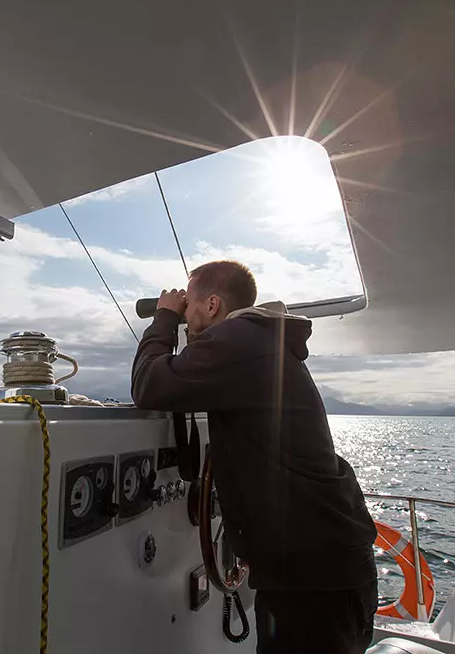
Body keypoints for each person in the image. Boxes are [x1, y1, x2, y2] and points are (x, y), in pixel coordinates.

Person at [131, 260, 378, 654]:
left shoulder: (238, 343)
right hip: (321, 568)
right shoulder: (257, 343)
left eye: (189, 302)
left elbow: (150, 385)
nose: (184, 311)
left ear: (212, 305)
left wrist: (163, 319)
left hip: (311, 580)